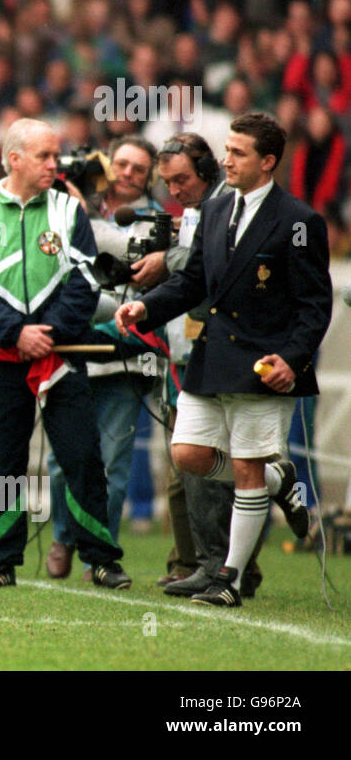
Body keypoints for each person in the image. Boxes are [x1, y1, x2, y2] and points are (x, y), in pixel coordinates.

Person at [116, 112, 333, 606]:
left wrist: (292, 360)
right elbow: (193, 282)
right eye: (226, 149)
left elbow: (314, 305)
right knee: (187, 455)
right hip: (211, 358)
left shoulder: (300, 222)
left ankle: (230, 579)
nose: (225, 160)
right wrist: (146, 307)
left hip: (264, 364)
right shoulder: (214, 213)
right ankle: (279, 479)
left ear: (268, 161)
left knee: (246, 470)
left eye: (237, 152)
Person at [0, 118, 131, 589]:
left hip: (59, 354)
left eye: (56, 156)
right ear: (14, 160)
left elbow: (87, 282)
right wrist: (16, 334)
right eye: (45, 156)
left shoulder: (70, 214)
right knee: (1, 461)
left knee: (82, 455)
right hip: (1, 359)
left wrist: (45, 334)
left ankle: (101, 558)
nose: (55, 164)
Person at [142, 133, 263, 598]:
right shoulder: (201, 209)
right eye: (168, 182)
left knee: (221, 464)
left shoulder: (228, 207)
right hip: (192, 353)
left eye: (182, 179)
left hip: (228, 353)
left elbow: (210, 270)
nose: (174, 190)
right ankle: (222, 566)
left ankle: (224, 567)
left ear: (207, 169)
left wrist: (167, 260)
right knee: (197, 465)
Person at [46, 135, 161, 579]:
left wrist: (80, 216)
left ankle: (101, 554)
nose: (129, 174)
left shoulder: (153, 222)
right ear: (109, 166)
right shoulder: (74, 207)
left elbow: (128, 258)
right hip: (72, 350)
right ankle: (62, 534)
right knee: (61, 462)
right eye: (123, 165)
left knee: (112, 462)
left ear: (149, 176)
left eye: (138, 168)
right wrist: (73, 209)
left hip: (124, 358)